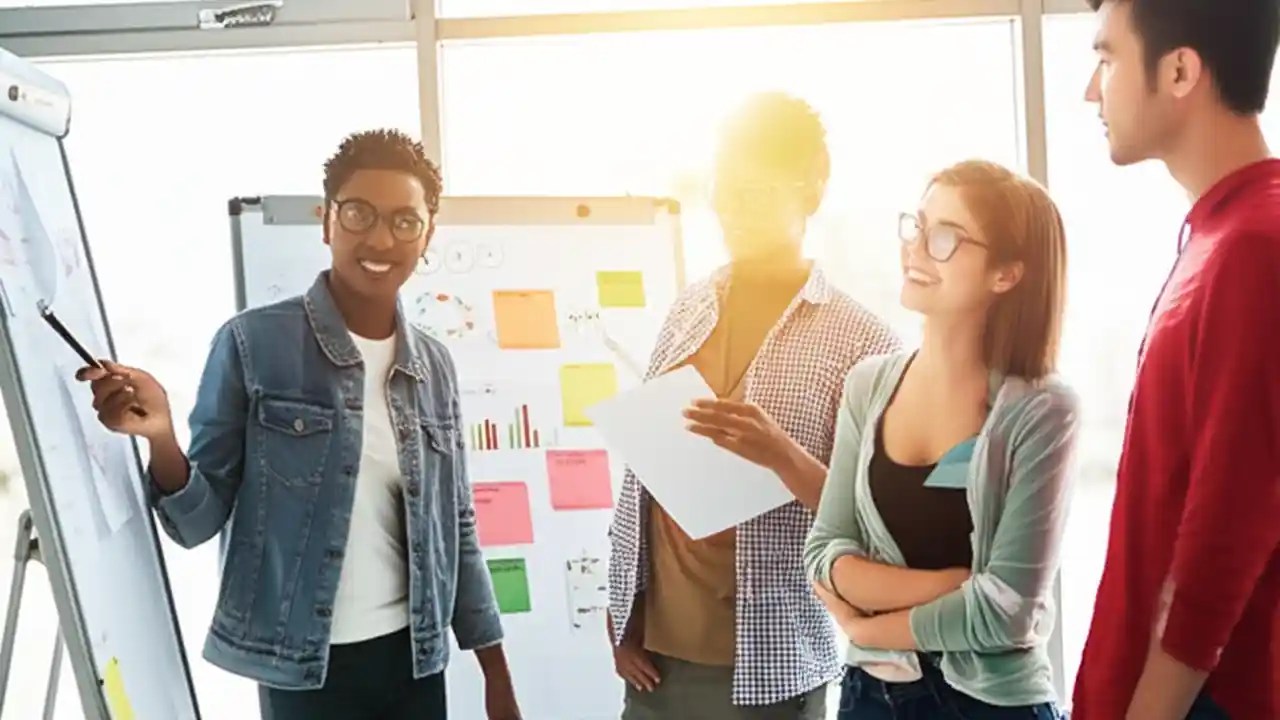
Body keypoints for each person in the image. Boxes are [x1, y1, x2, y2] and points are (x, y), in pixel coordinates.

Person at [77, 129, 521, 720]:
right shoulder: (252, 344)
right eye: (359, 213)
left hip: (414, 664)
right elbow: (196, 522)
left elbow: (456, 524)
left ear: (427, 234)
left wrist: (496, 673)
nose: (381, 239)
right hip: (301, 670)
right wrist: (161, 436)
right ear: (327, 221)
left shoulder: (433, 364)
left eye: (405, 221)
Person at [606, 92, 900, 720]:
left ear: (811, 189)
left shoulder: (864, 343)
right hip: (654, 660)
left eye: (757, 191)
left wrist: (779, 454)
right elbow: (642, 479)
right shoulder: (691, 305)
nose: (735, 209)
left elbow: (882, 522)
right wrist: (621, 610)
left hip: (772, 668)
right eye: (725, 188)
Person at [803, 160, 1078, 720]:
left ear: (1006, 275)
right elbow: (825, 552)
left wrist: (866, 627)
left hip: (991, 705)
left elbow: (1006, 611)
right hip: (870, 697)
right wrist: (951, 584)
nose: (917, 248)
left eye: (946, 237)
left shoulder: (1042, 409)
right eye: (918, 226)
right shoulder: (867, 386)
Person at [1073, 2, 1280, 719]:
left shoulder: (1256, 246)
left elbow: (1227, 525)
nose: (1092, 91)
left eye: (1107, 59)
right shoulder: (1221, 233)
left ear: (1181, 71)